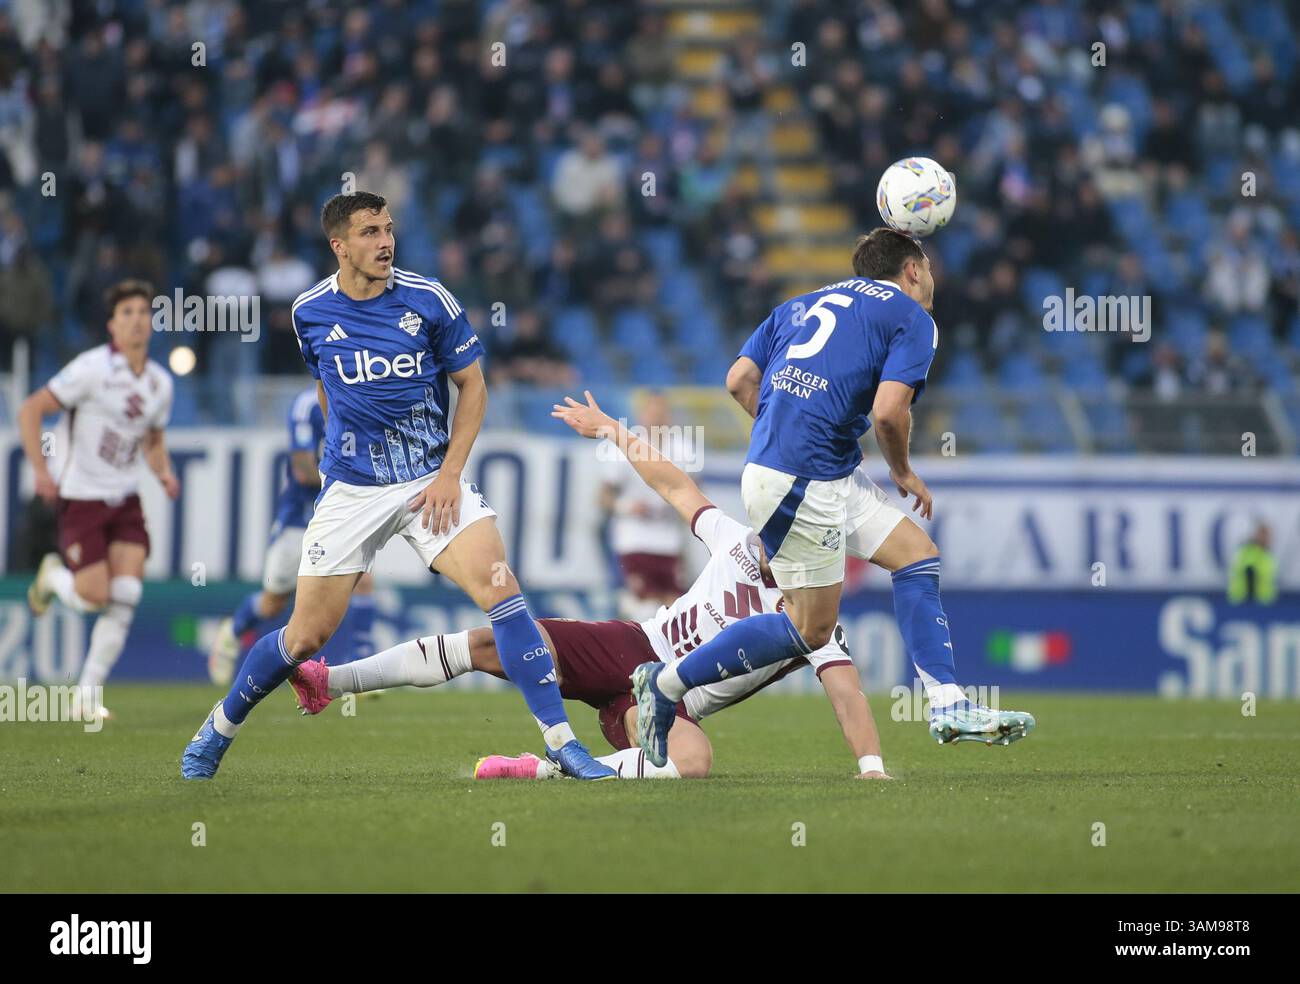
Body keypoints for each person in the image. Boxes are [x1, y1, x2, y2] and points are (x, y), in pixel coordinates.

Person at [180, 191, 613, 780]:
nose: (385, 242)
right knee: (304, 637)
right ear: (340, 245)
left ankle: (562, 742)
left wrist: (450, 475)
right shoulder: (310, 311)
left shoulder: (428, 300)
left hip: (429, 480)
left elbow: (474, 387)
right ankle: (217, 730)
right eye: (369, 232)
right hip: (354, 490)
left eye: (388, 229)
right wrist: (340, 453)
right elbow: (326, 384)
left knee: (503, 591)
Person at [289, 392, 889, 781]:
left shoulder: (815, 620)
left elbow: (847, 695)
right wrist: (610, 429)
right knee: (499, 641)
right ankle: (330, 680)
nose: (767, 535)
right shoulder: (735, 540)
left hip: (664, 705)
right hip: (633, 645)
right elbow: (675, 486)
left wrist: (870, 767)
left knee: (693, 763)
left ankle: (542, 768)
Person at [632, 228, 1035, 766]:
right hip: (805, 477)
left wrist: (787, 427)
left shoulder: (804, 302)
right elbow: (890, 413)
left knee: (917, 556)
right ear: (912, 270)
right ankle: (666, 684)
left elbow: (737, 380)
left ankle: (946, 702)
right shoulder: (913, 318)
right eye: (929, 268)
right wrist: (904, 472)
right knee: (810, 630)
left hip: (813, 468)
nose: (932, 278)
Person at [21, 279, 179, 721]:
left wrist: (163, 472)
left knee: (126, 592)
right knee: (94, 595)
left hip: (125, 498)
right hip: (81, 497)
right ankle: (53, 577)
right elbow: (31, 409)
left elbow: (152, 440)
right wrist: (39, 469)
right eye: (126, 313)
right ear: (112, 325)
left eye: (142, 312)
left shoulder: (160, 383)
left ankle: (87, 695)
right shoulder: (89, 369)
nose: (135, 320)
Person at [207, 386, 374, 686]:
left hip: (341, 514)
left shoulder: (362, 397)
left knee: (362, 579)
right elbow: (302, 469)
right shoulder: (306, 405)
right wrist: (349, 473)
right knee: (274, 602)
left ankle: (362, 659)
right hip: (301, 517)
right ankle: (232, 631)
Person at [599, 391, 685, 619]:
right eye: (652, 411)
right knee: (639, 607)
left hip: (668, 541)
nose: (657, 417)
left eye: (661, 411)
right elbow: (603, 497)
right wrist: (627, 507)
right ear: (641, 415)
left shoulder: (683, 449)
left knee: (674, 610)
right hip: (634, 540)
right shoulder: (627, 446)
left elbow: (695, 493)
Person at [1227, 522, 1277, 605]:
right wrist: (1251, 599)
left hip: (1264, 601)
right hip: (1246, 601)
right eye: (1263, 535)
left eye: (1268, 535)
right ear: (1257, 535)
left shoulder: (1266, 553)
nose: (1267, 538)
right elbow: (1249, 572)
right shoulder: (1250, 551)